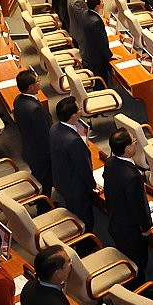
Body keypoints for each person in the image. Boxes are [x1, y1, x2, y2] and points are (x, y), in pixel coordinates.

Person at [105, 128, 152, 275]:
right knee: (137, 263)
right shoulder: (132, 176)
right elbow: (137, 206)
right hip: (131, 230)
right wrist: (145, 227)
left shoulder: (110, 162)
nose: (136, 143)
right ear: (127, 149)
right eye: (133, 141)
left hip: (115, 221)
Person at [50, 96, 98, 231]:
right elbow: (83, 168)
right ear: (73, 116)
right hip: (76, 188)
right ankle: (86, 241)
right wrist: (93, 185)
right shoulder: (74, 142)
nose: (82, 110)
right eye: (79, 109)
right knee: (85, 220)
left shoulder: (55, 127)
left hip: (62, 179)